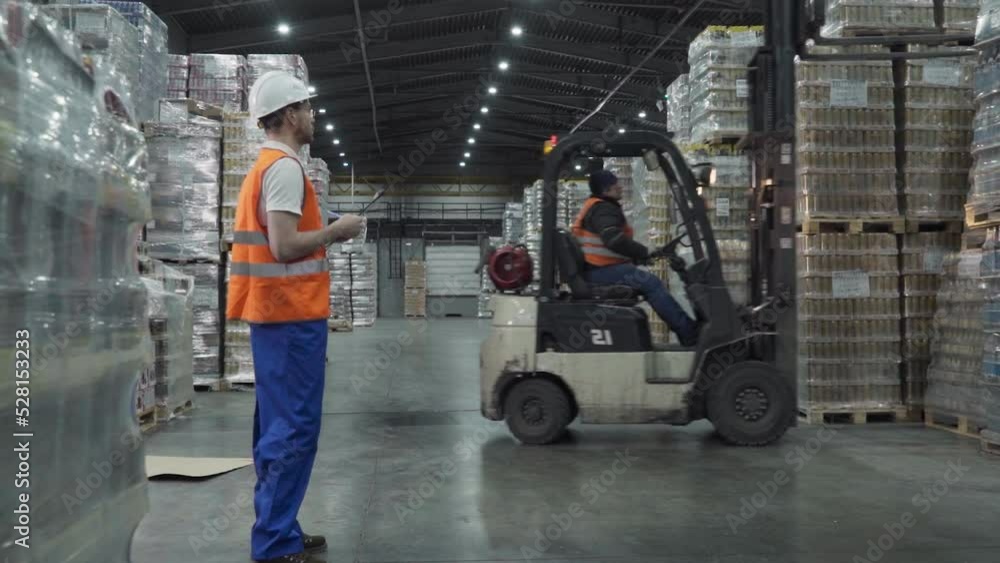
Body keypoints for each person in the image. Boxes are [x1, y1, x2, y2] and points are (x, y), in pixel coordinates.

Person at [227, 70, 364, 563]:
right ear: (288, 115)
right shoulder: (284, 169)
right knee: (293, 430)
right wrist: (336, 230)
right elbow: (284, 245)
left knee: (276, 428)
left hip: (276, 316)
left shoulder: (269, 166)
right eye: (306, 108)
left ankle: (280, 526)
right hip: (288, 318)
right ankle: (274, 542)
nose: (312, 116)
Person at [572, 169, 699, 346]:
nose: (620, 187)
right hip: (597, 271)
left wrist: (642, 258)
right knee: (651, 283)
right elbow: (613, 240)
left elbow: (609, 246)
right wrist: (643, 252)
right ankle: (689, 334)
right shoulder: (603, 209)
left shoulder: (598, 206)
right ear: (606, 189)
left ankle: (686, 330)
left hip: (597, 268)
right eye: (616, 184)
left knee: (646, 280)